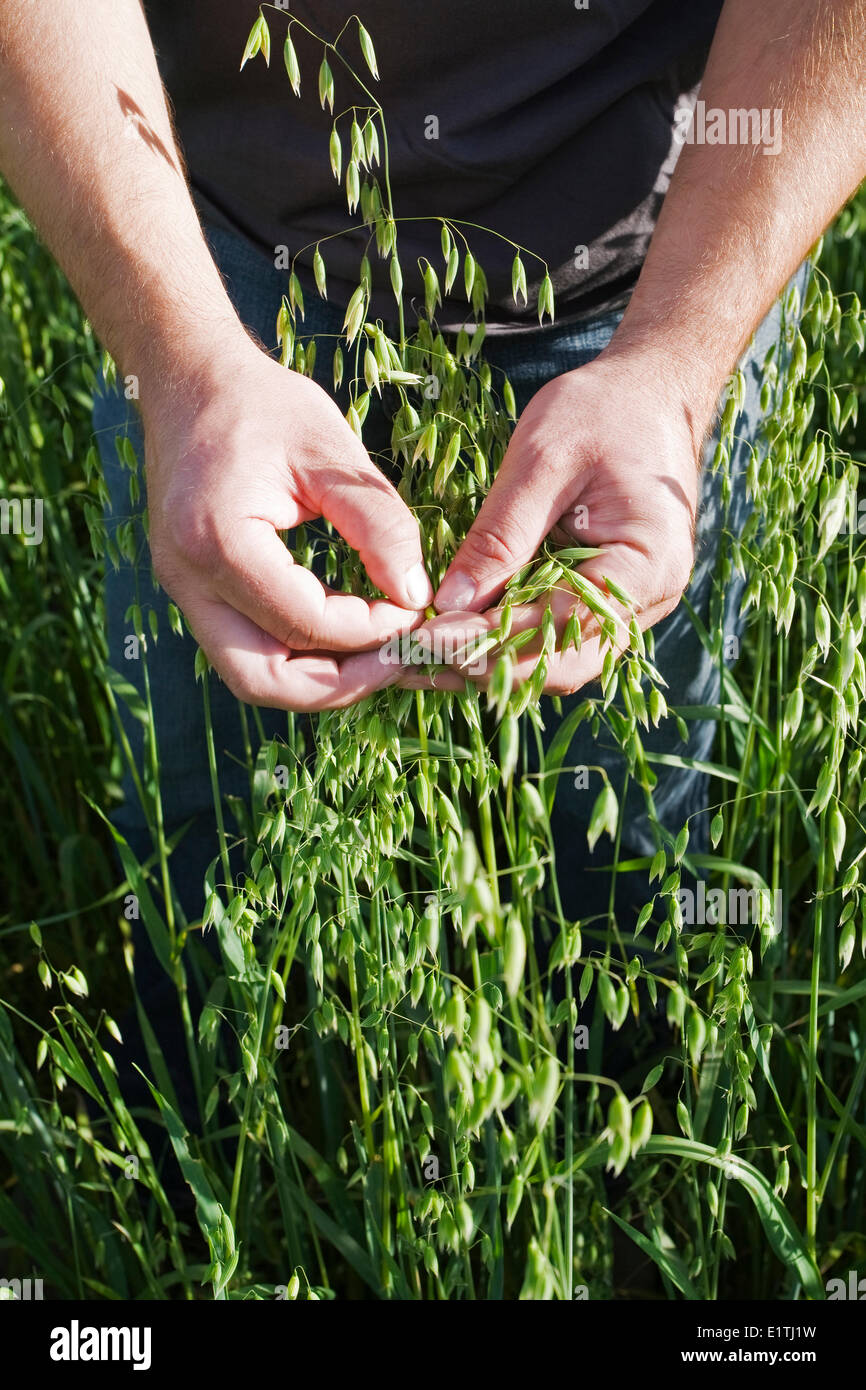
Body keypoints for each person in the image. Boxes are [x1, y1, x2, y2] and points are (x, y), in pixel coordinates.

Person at [1, 1, 863, 1006]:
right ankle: (220, 1131)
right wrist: (180, 358)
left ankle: (617, 1120)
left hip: (668, 268)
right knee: (217, 864)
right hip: (200, 257)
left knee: (622, 869)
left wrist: (673, 365)